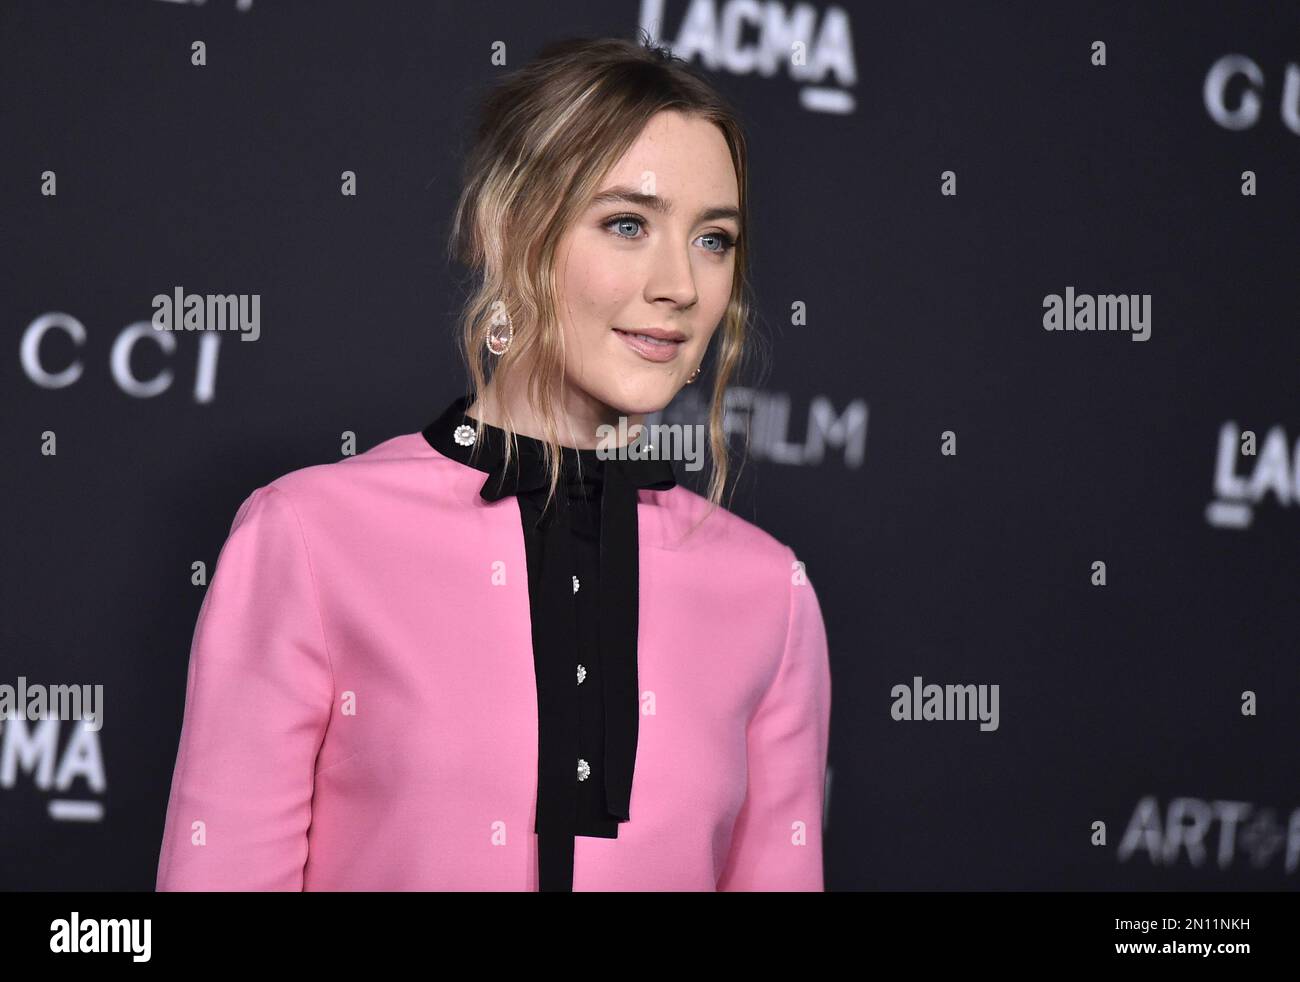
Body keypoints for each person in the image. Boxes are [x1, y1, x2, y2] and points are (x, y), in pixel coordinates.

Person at [156, 33, 831, 892]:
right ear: (507, 230)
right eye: (628, 223)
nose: (683, 286)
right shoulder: (311, 538)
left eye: (714, 240)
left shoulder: (770, 595)